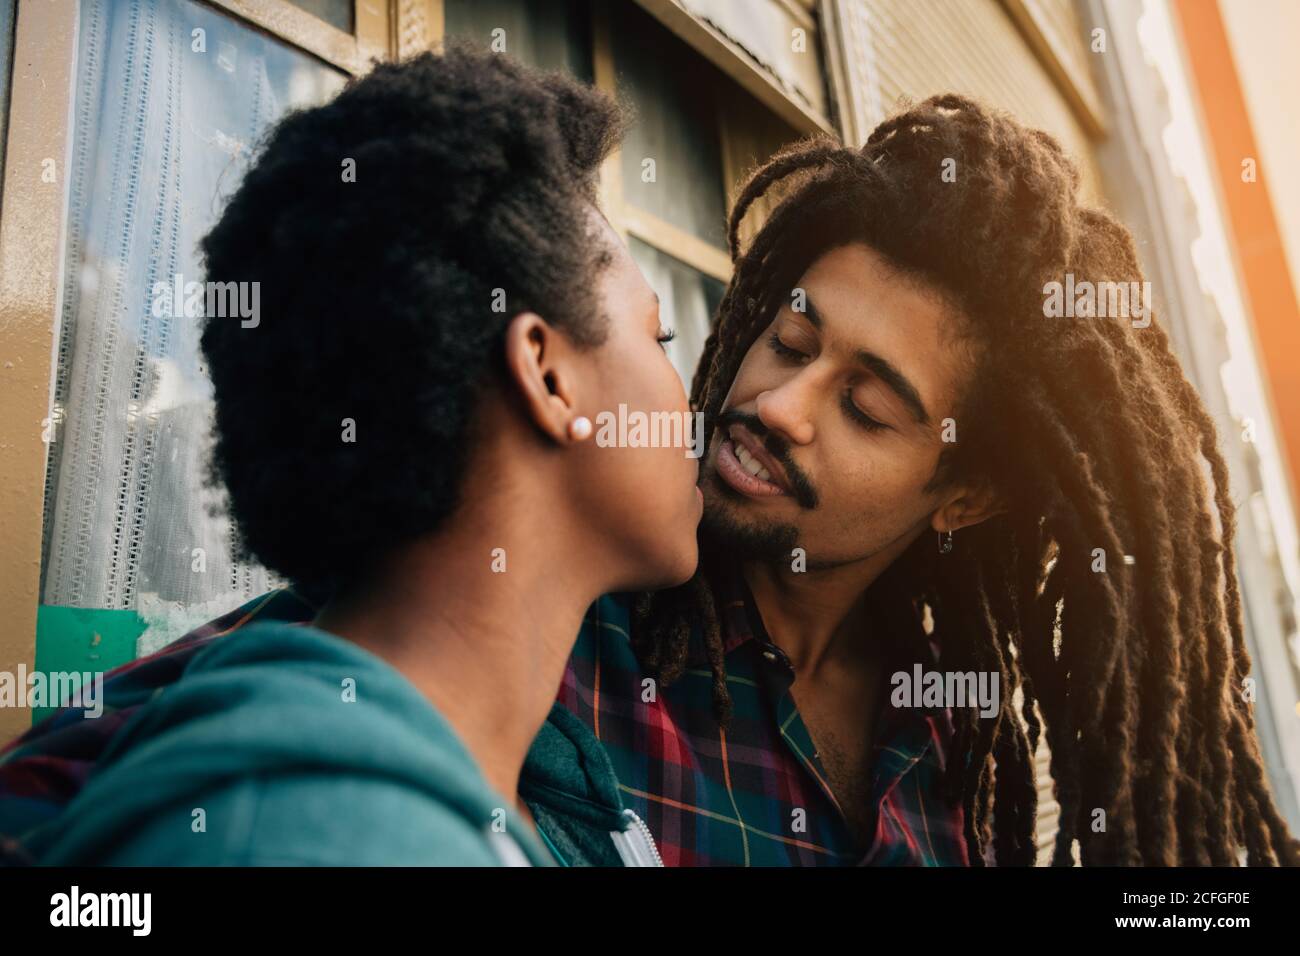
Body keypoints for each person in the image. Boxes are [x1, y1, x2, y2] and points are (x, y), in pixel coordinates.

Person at [556, 94, 1300, 867]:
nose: (778, 407)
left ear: (965, 499)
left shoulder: (945, 733)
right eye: (790, 340)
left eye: (865, 408)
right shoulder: (582, 623)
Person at [0, 45, 698, 867]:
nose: (694, 404)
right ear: (547, 374)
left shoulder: (536, 808)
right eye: (661, 335)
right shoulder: (307, 837)